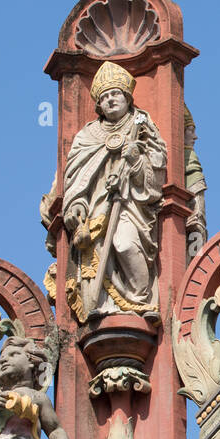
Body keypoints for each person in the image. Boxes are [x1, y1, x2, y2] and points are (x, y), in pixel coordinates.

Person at [62, 60, 167, 320]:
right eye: (105, 97)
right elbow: (75, 177)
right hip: (97, 208)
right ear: (98, 104)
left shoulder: (141, 125)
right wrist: (76, 205)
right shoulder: (87, 136)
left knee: (125, 244)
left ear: (127, 97)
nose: (110, 100)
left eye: (115, 94)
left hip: (130, 204)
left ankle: (140, 301)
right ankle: (104, 305)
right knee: (98, 253)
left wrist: (134, 160)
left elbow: (157, 166)